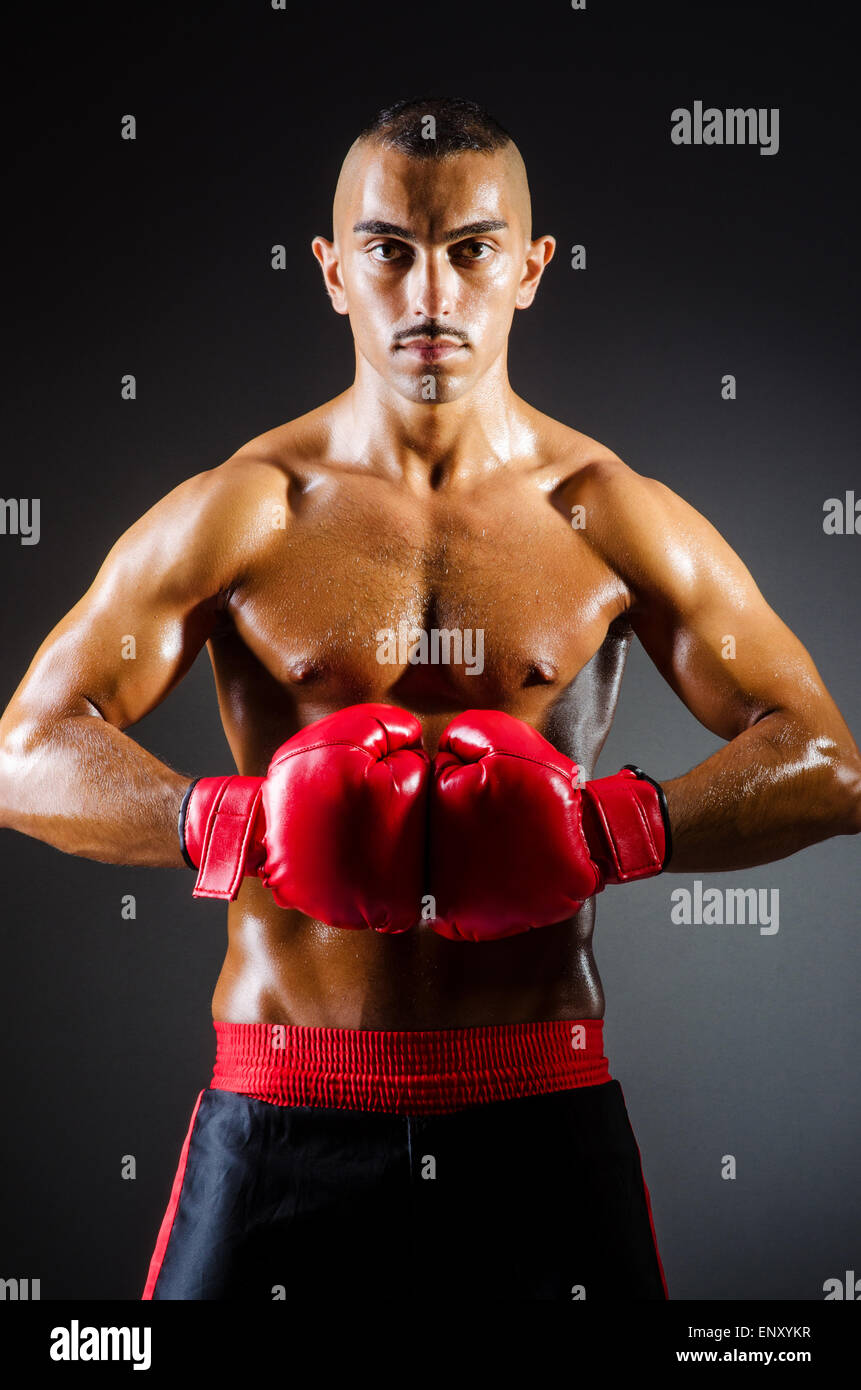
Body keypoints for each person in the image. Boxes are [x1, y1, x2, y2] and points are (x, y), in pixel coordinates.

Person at [0, 97, 858, 1301]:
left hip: (539, 1106)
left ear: (531, 269)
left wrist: (614, 830)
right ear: (334, 271)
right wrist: (227, 824)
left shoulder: (607, 511)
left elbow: (827, 758)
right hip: (283, 1109)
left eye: (472, 250)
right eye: (391, 249)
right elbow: (22, 751)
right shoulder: (246, 507)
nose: (433, 295)